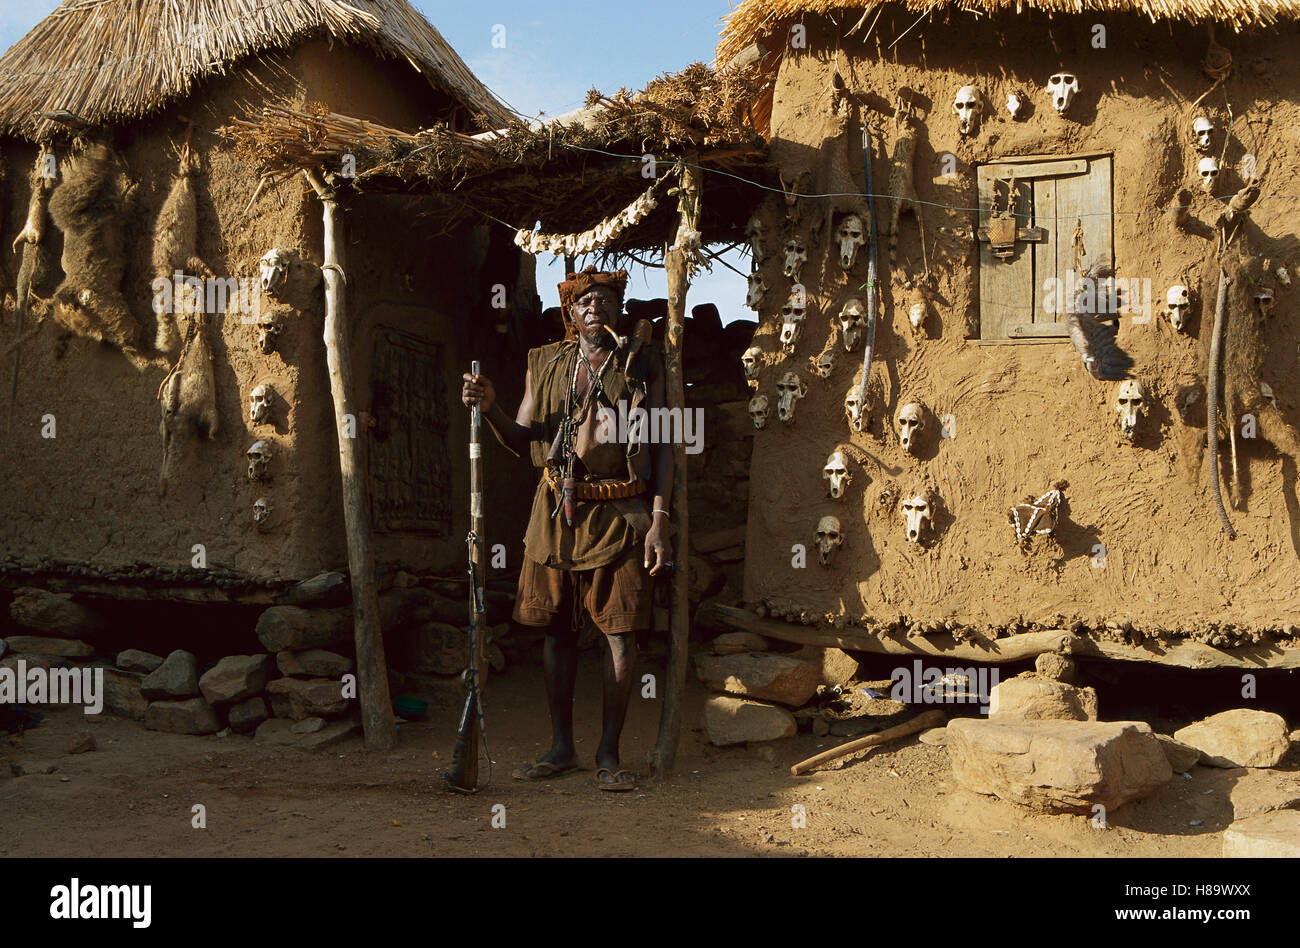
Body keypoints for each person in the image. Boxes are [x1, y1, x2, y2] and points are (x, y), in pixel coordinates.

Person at [461, 267, 674, 791]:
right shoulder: (545, 363)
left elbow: (666, 447)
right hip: (556, 512)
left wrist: (660, 522)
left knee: (620, 635)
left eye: (604, 300)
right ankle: (561, 747)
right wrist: (490, 410)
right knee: (555, 630)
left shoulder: (644, 364)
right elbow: (522, 438)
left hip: (623, 514)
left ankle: (607, 754)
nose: (594, 308)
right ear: (569, 315)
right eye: (584, 302)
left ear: (617, 310)